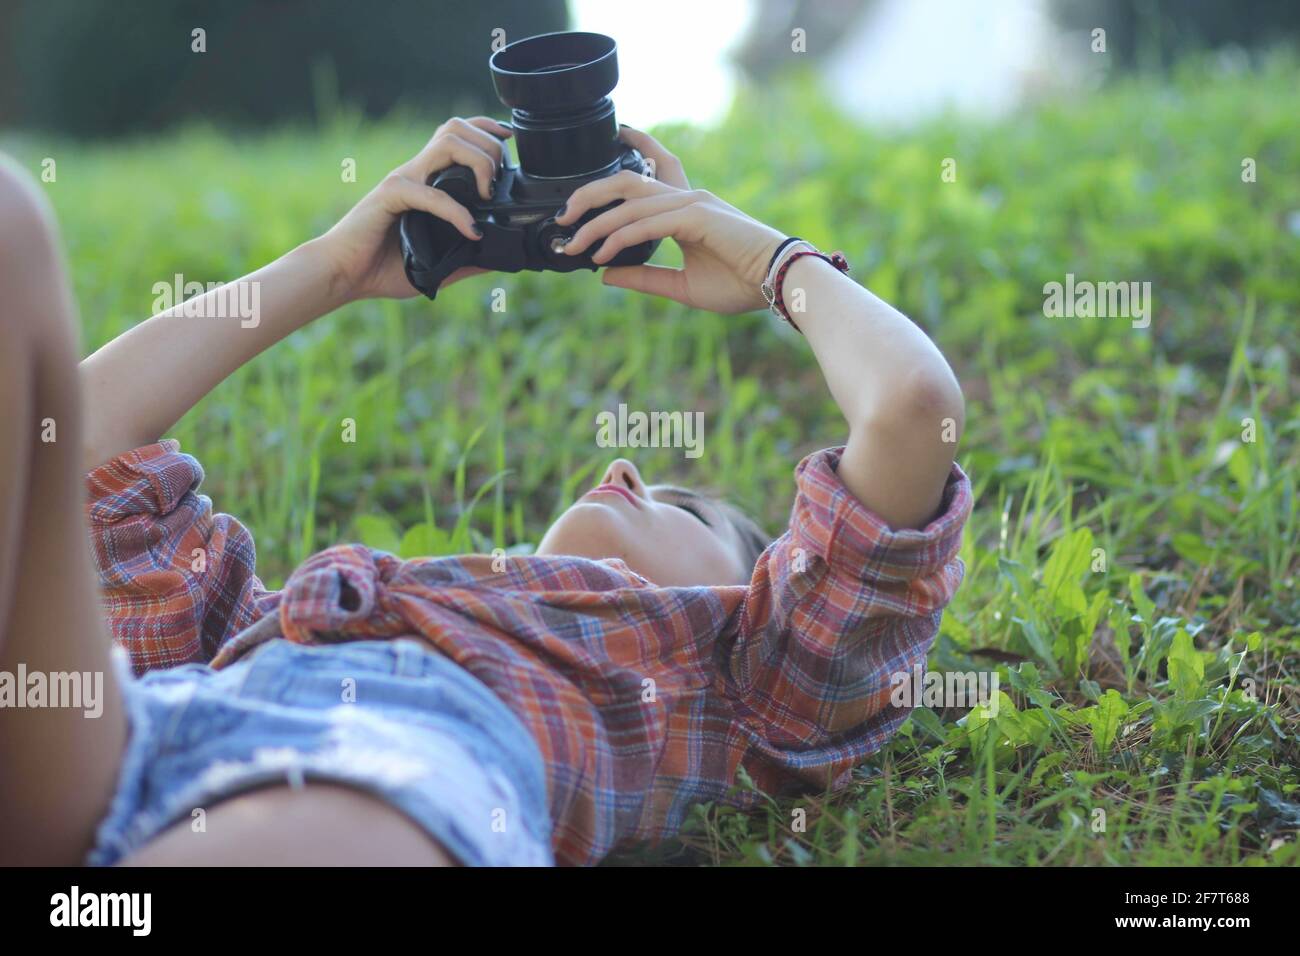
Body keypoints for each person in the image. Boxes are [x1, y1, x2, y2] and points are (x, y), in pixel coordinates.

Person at [0, 117, 970, 867]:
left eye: (685, 506)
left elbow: (911, 408)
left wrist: (764, 257)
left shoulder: (747, 684)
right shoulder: (307, 616)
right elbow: (70, 441)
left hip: (395, 775)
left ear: (750, 596)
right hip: (151, 731)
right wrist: (336, 268)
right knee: (13, 229)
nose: (623, 470)